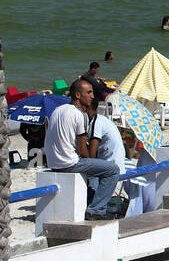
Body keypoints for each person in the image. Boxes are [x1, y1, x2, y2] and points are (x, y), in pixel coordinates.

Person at [44, 78, 121, 219]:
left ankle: (89, 202)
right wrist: (91, 160)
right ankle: (96, 210)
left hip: (53, 163)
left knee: (93, 171)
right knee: (112, 170)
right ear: (78, 95)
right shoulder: (80, 115)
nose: (92, 96)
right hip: (69, 164)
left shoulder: (57, 110)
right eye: (89, 92)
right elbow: (82, 151)